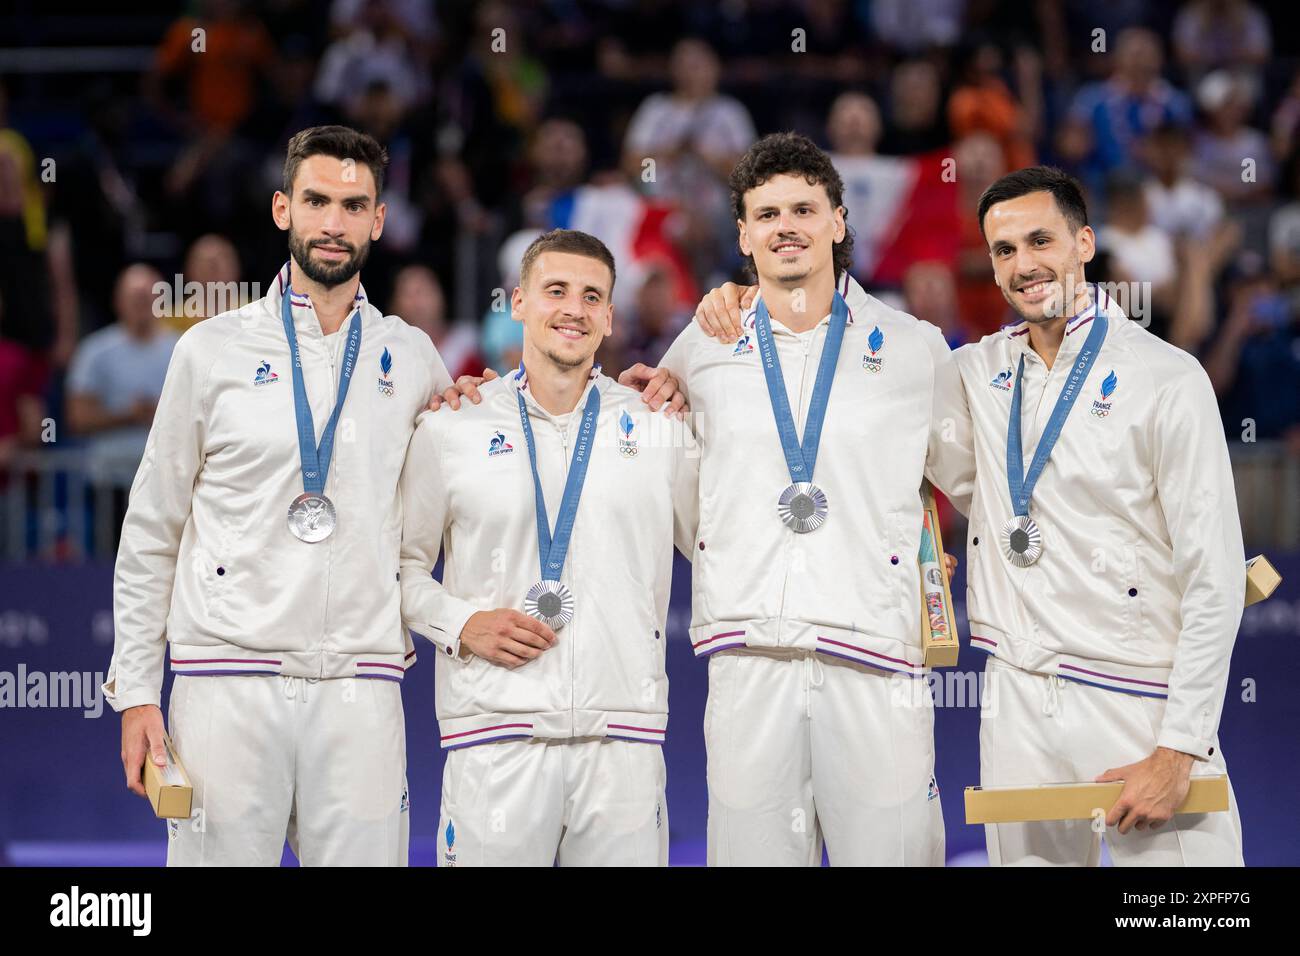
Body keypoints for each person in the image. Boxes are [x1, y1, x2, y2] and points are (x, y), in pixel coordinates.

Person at [695, 166, 1248, 866]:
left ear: (1084, 243)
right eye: (1004, 250)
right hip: (1015, 698)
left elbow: (1217, 581)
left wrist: (1179, 749)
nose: (1024, 264)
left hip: (1137, 698)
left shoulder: (1167, 379)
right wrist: (759, 294)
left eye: (1040, 240)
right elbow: (844, 373)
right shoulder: (971, 371)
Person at [104, 125, 453, 866]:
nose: (334, 223)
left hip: (362, 685)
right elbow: (152, 529)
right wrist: (136, 689)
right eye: (317, 200)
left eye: (354, 205)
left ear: (380, 221)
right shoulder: (210, 351)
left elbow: (477, 480)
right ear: (281, 210)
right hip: (224, 683)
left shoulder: (414, 358)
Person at [621, 132, 970, 866]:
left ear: (839, 222)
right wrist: (738, 551)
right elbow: (680, 494)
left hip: (878, 660)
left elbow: (977, 486)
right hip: (749, 659)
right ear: (743, 234)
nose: (787, 226)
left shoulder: (914, 348)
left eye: (805, 209)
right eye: (768, 212)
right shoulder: (704, 344)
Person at [399, 229, 698, 865]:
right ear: (517, 303)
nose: (574, 309)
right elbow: (396, 566)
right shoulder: (453, 425)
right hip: (494, 738)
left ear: (611, 316)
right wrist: (461, 623)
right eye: (555, 291)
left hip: (624, 740)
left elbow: (727, 543)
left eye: (593, 296)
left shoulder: (656, 426)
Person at [67, 263, 179, 494]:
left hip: (169, 479)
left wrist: (164, 412)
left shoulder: (183, 347)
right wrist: (128, 415)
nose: (142, 304)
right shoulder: (94, 351)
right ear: (117, 302)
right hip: (109, 480)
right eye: (135, 298)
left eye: (149, 296)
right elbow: (77, 418)